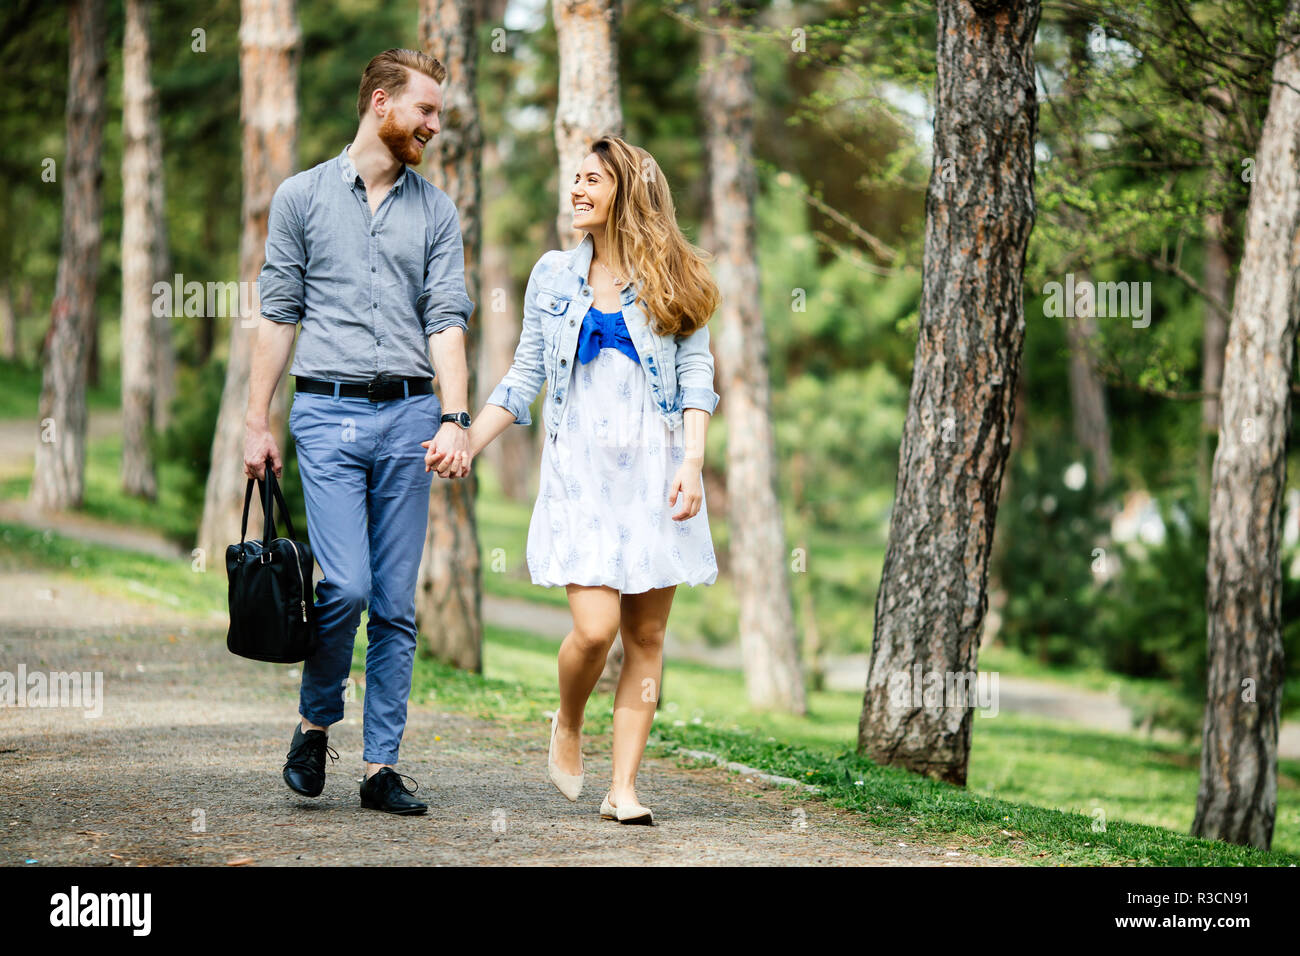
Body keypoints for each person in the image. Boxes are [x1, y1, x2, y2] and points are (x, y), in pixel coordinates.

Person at [434, 136, 721, 824]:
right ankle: (568, 717)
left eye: (592, 179)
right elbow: (526, 373)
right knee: (595, 631)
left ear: (626, 189)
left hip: (656, 470)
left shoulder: (676, 274)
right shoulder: (554, 275)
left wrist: (692, 460)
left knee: (646, 640)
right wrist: (471, 436)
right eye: (575, 179)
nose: (577, 190)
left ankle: (623, 788)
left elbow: (696, 375)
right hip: (581, 474)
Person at [243, 49, 475, 816]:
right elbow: (279, 313)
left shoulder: (436, 211)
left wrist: (455, 416)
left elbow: (445, 318)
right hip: (327, 412)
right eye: (426, 112)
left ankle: (380, 768)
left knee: (397, 603)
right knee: (344, 586)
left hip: (412, 416)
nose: (435, 127)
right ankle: (315, 723)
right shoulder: (302, 197)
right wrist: (256, 422)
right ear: (380, 103)